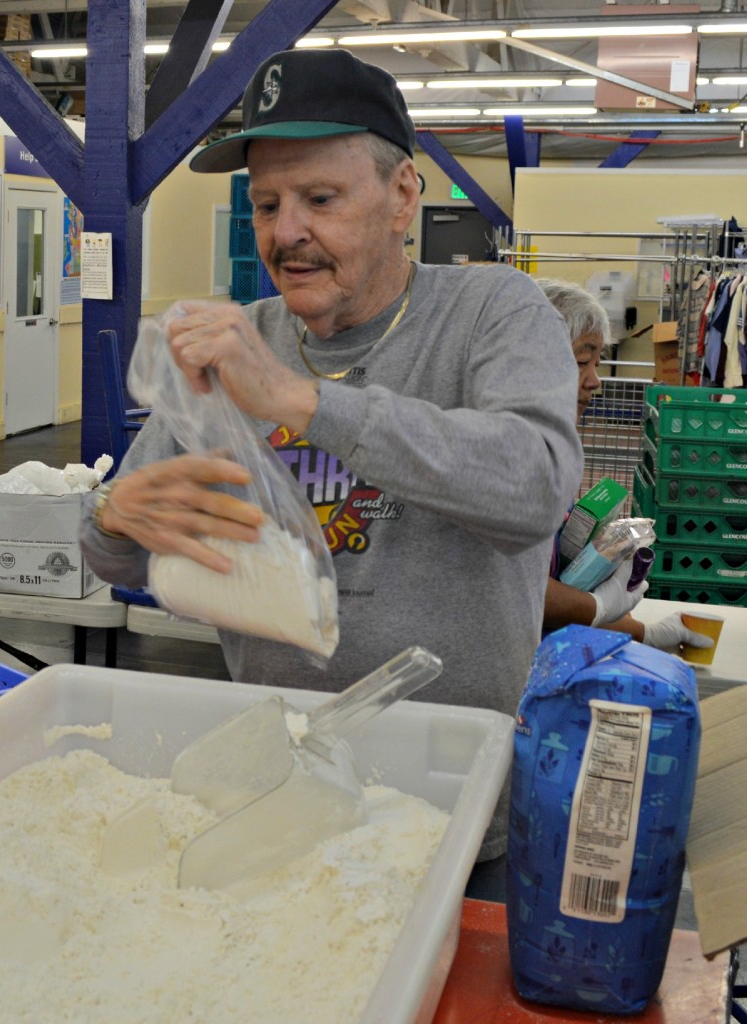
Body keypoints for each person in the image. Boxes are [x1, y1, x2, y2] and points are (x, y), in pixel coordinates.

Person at [80, 48, 583, 860]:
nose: (287, 233)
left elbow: (534, 485)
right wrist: (112, 518)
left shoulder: (494, 311)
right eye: (266, 204)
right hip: (277, 797)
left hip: (450, 807)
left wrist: (302, 401)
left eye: (320, 199)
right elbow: (119, 554)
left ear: (402, 195)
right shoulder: (237, 340)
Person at [536, 278, 713, 654]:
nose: (594, 381)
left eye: (596, 364)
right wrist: (598, 606)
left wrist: (646, 633)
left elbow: (554, 592)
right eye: (582, 362)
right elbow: (521, 590)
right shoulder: (503, 463)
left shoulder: (553, 454)